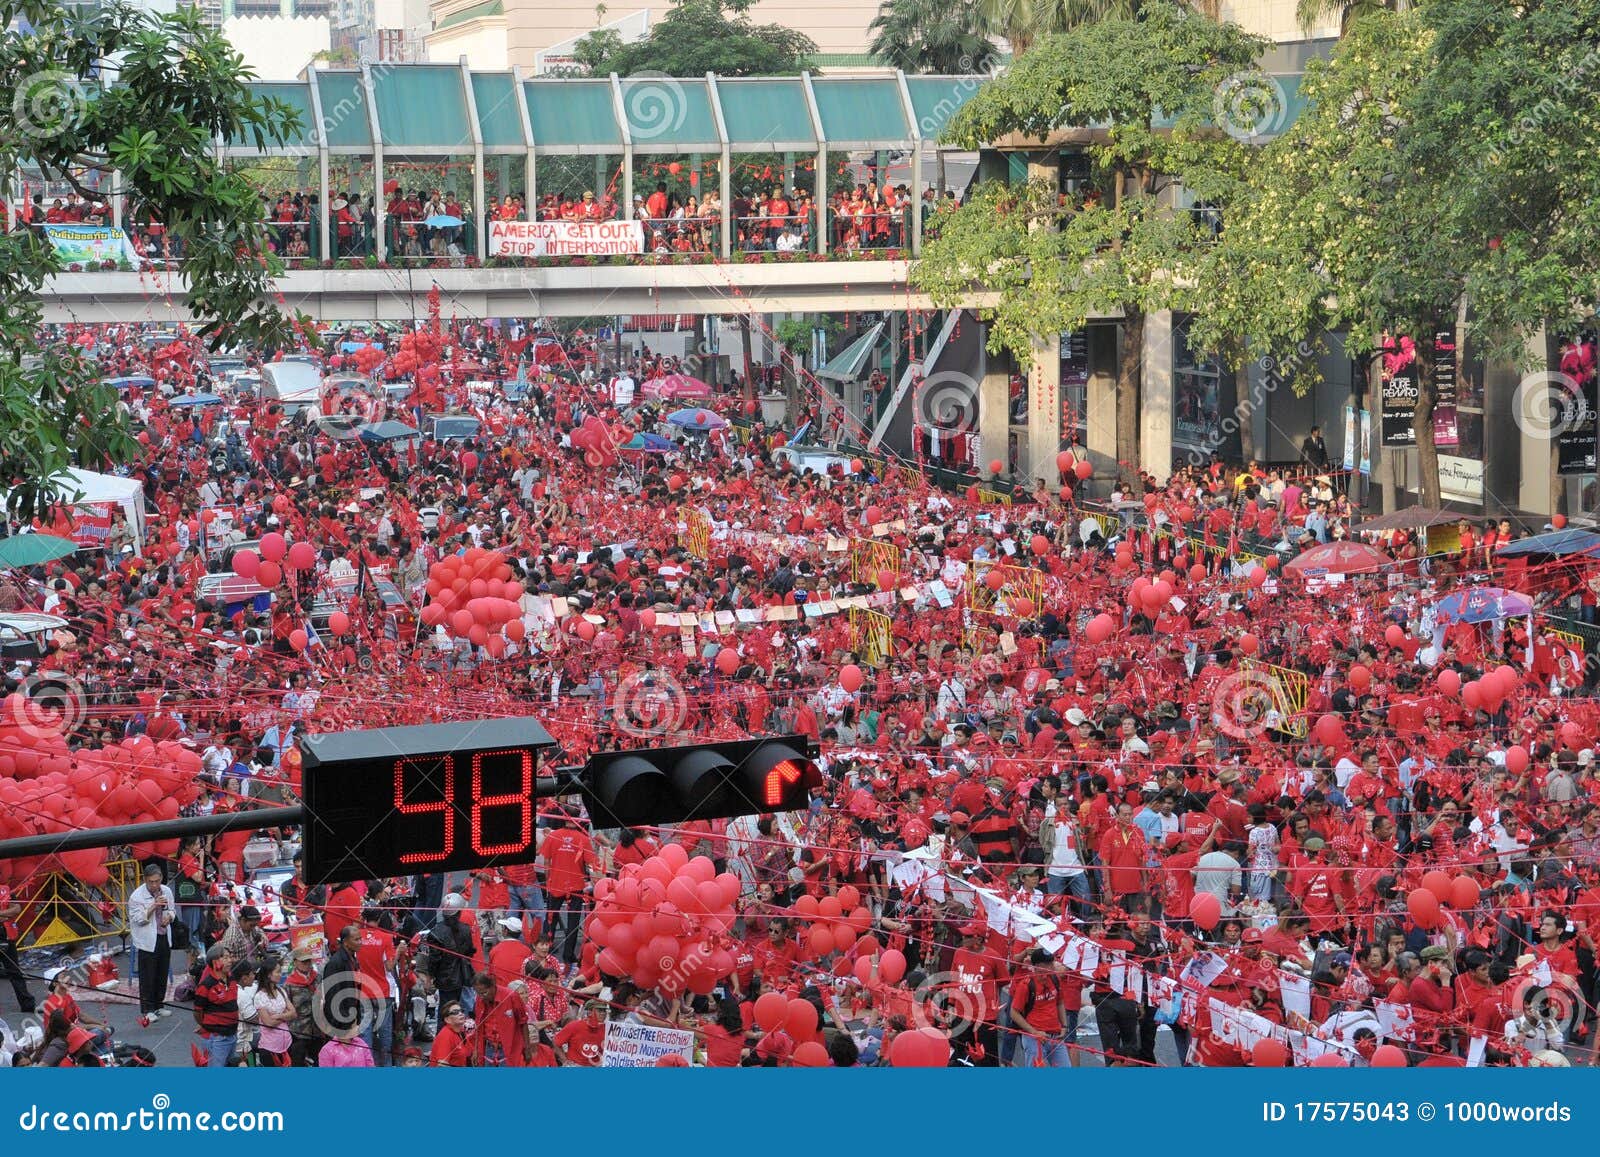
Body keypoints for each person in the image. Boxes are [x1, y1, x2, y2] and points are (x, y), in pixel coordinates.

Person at [129, 862, 176, 1027]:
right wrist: (153, 906)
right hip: (146, 941)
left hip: (163, 935)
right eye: (151, 882)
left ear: (161, 878)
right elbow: (138, 920)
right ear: (145, 880)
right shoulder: (136, 896)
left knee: (161, 972)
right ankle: (147, 1009)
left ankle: (159, 1005)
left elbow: (172, 911)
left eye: (157, 881)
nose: (154, 885)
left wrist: (169, 917)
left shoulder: (167, 891)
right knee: (147, 976)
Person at [421, 893, 477, 1024]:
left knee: (446, 1011)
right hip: (462, 976)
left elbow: (434, 960)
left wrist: (430, 977)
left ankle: (444, 1036)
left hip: (444, 978)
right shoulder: (465, 929)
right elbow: (469, 952)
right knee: (457, 1008)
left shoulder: (436, 932)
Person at [1009, 948, 1070, 1068]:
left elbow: (1060, 1002)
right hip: (1034, 1038)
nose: (1051, 967)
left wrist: (1064, 1025)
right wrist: (1034, 1032)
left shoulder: (1055, 979)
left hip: (1055, 1036)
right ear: (1036, 966)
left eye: (1051, 963)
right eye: (1047, 964)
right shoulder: (1026, 985)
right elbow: (1014, 1012)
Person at [193, 943, 241, 1067]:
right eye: (225, 958)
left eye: (230, 957)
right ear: (215, 962)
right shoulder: (206, 985)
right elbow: (198, 1011)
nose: (230, 960)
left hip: (232, 1034)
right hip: (217, 1038)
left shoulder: (232, 978)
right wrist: (205, 1025)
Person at [0, 878, 35, 1015]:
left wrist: (2, 914)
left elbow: (16, 909)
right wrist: (5, 914)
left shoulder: (6, 890)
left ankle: (27, 1005)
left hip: (6, 936)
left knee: (14, 971)